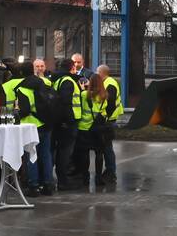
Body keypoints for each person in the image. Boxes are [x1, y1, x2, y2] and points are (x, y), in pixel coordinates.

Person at [12, 61, 56, 196]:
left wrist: (16, 113)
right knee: (46, 155)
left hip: (30, 126)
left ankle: (34, 186)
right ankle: (48, 185)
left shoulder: (22, 88)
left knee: (31, 156)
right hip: (46, 123)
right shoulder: (44, 83)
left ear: (21, 73)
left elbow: (24, 110)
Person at [51, 58, 84, 191]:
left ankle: (60, 180)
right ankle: (63, 182)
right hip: (68, 122)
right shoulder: (68, 81)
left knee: (58, 152)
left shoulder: (57, 80)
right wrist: (68, 121)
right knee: (65, 153)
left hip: (59, 121)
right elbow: (66, 103)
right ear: (72, 68)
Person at [74, 74, 109, 188]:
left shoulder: (84, 94)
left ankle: (85, 178)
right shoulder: (104, 96)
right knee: (99, 154)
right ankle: (98, 178)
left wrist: (82, 87)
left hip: (84, 128)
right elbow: (103, 113)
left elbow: (80, 104)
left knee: (85, 154)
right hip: (98, 129)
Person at [96, 64, 124, 186]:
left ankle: (110, 172)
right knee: (106, 146)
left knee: (107, 147)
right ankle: (110, 171)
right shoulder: (107, 82)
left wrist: (105, 116)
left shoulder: (109, 83)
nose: (96, 74)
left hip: (108, 120)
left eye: (97, 72)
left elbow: (111, 103)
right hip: (108, 120)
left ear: (102, 73)